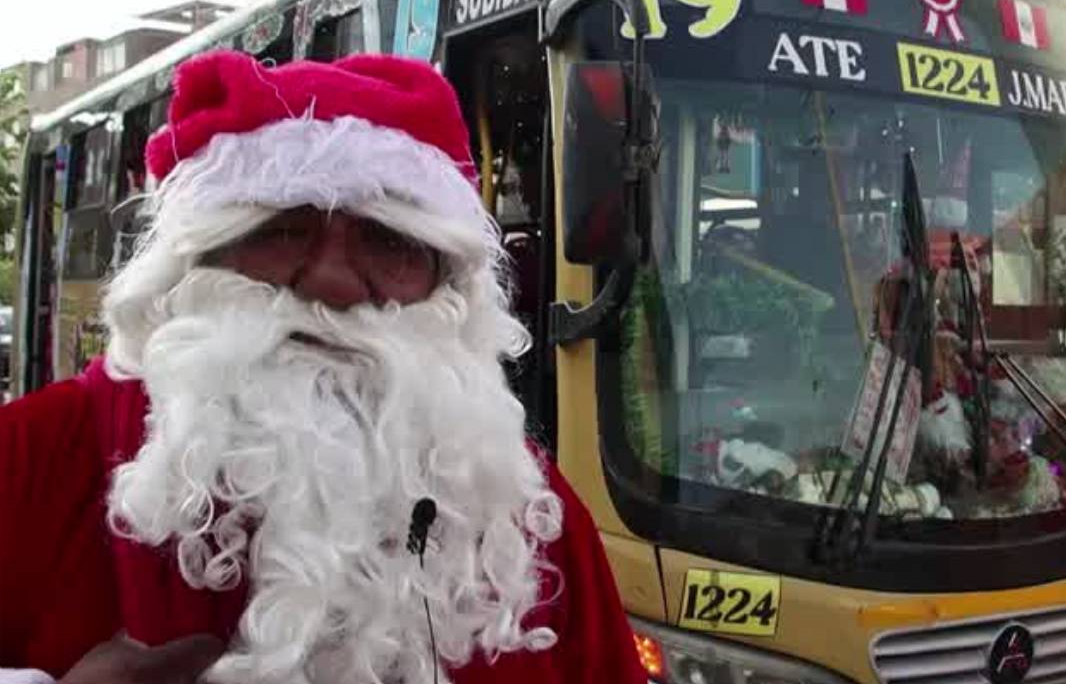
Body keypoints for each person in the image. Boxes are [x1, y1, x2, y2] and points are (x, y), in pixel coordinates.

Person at [0, 51, 645, 684]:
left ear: (443, 286)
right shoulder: (35, 457)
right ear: (201, 261)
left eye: (388, 239)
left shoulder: (522, 511)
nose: (333, 280)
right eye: (282, 230)